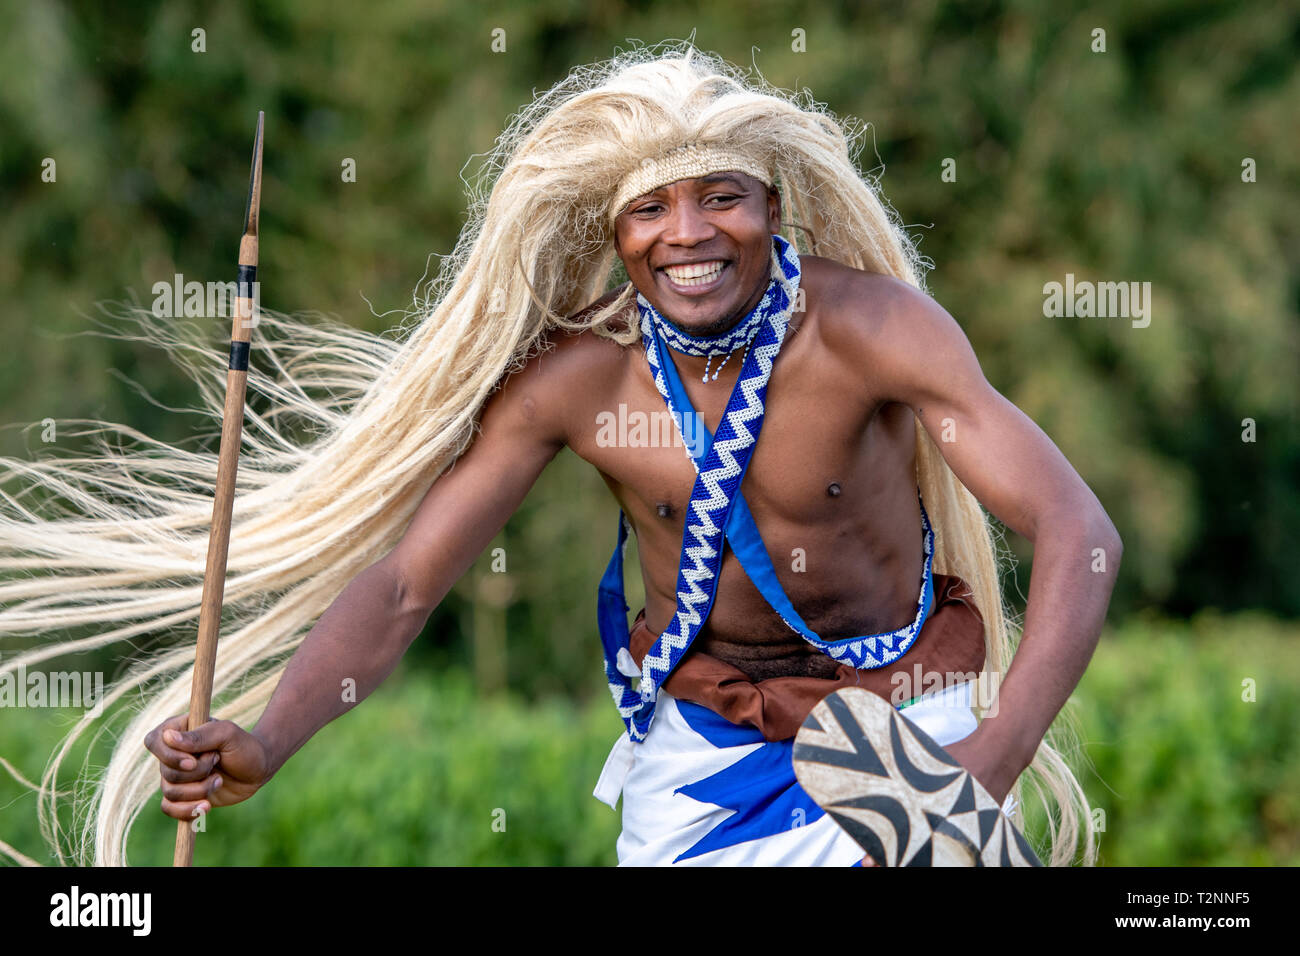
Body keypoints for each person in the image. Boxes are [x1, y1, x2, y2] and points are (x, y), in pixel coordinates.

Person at [2, 43, 1117, 866]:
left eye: (721, 196)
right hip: (704, 742)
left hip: (903, 725)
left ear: (771, 208)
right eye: (652, 210)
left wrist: (998, 749)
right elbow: (402, 585)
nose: (688, 233)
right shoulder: (578, 380)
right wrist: (266, 738)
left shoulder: (875, 329)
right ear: (614, 235)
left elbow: (1079, 531)